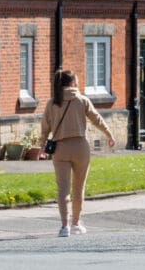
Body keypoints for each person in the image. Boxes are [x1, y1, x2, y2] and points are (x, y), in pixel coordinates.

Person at [41, 68, 117, 237]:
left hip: (60, 148)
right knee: (78, 187)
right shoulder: (82, 100)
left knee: (63, 189)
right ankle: (76, 223)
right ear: (73, 83)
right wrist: (109, 134)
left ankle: (64, 226)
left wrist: (41, 147)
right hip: (80, 147)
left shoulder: (52, 102)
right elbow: (97, 119)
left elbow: (45, 128)